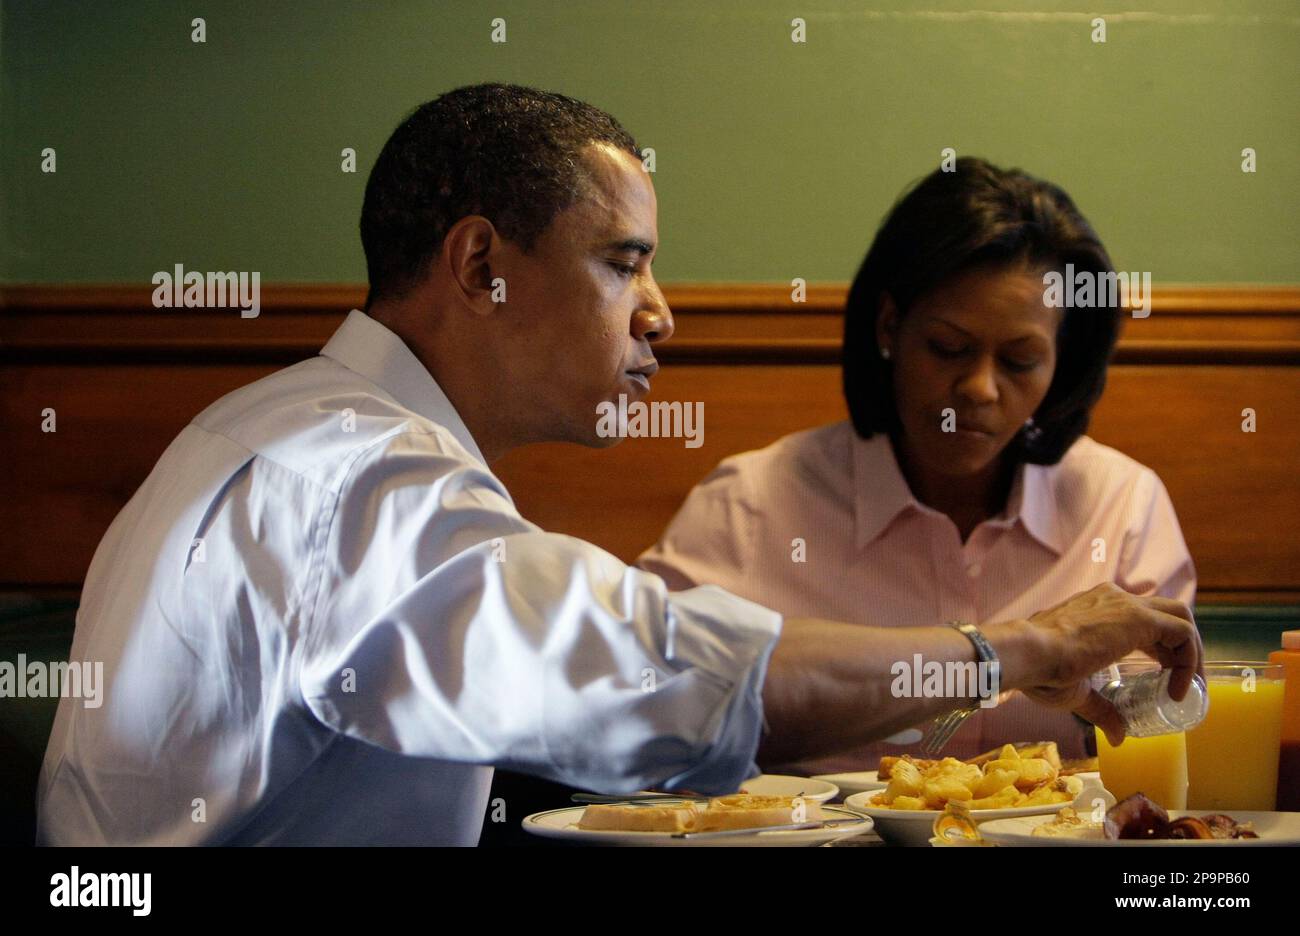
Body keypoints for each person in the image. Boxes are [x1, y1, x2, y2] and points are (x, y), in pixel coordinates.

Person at [37, 88, 1200, 845]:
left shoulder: (283, 428)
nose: (662, 315)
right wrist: (1017, 653)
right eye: (623, 263)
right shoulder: (350, 479)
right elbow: (657, 678)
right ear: (482, 264)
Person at [639, 157, 1197, 772]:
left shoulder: (1120, 501)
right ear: (889, 326)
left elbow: (1163, 718)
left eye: (1020, 361)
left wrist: (1119, 692)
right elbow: (647, 708)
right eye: (948, 348)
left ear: (1062, 363)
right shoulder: (751, 504)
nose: (980, 389)